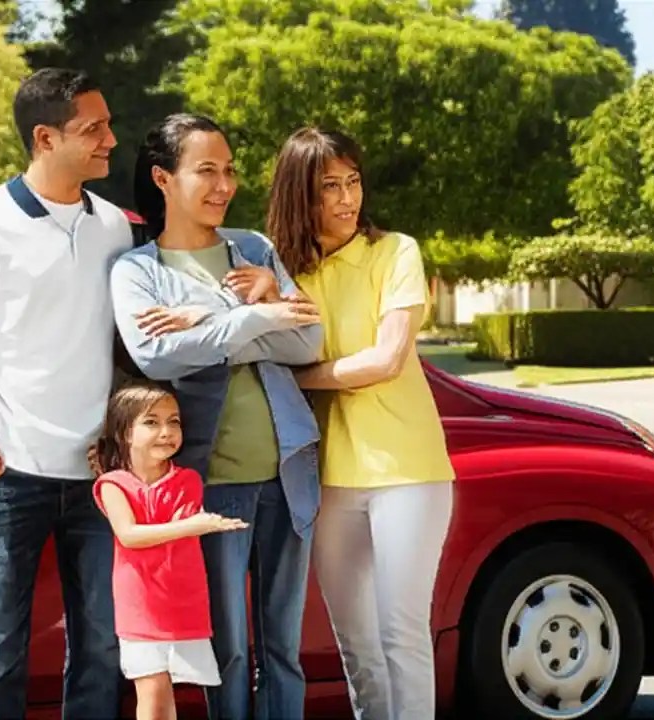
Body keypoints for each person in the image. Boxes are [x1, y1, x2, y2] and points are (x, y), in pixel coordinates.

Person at [109, 112, 324, 720]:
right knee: (226, 648)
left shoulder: (255, 248)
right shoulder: (137, 271)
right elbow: (156, 353)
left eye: (229, 170)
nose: (224, 184)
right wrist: (256, 314)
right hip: (210, 484)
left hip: (289, 472)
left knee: (283, 648)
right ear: (162, 178)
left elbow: (308, 345)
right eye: (207, 170)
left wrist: (204, 322)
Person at [0, 67, 129, 720]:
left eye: (107, 124)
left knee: (102, 647)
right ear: (45, 137)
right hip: (9, 478)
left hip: (98, 477)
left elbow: (121, 348)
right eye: (93, 129)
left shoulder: (115, 229)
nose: (111, 140)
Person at [267, 127, 456, 720]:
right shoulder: (284, 272)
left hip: (408, 470)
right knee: (355, 642)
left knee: (401, 630)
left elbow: (386, 359)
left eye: (353, 182)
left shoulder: (395, 251)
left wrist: (298, 378)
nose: (348, 198)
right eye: (330, 186)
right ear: (302, 194)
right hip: (327, 479)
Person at [90, 382, 249, 720]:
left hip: (182, 604)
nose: (166, 431)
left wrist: (193, 525)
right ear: (124, 432)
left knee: (167, 695)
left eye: (173, 421)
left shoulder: (188, 480)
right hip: (141, 608)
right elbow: (129, 535)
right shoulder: (112, 484)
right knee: (151, 691)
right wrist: (195, 526)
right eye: (152, 422)